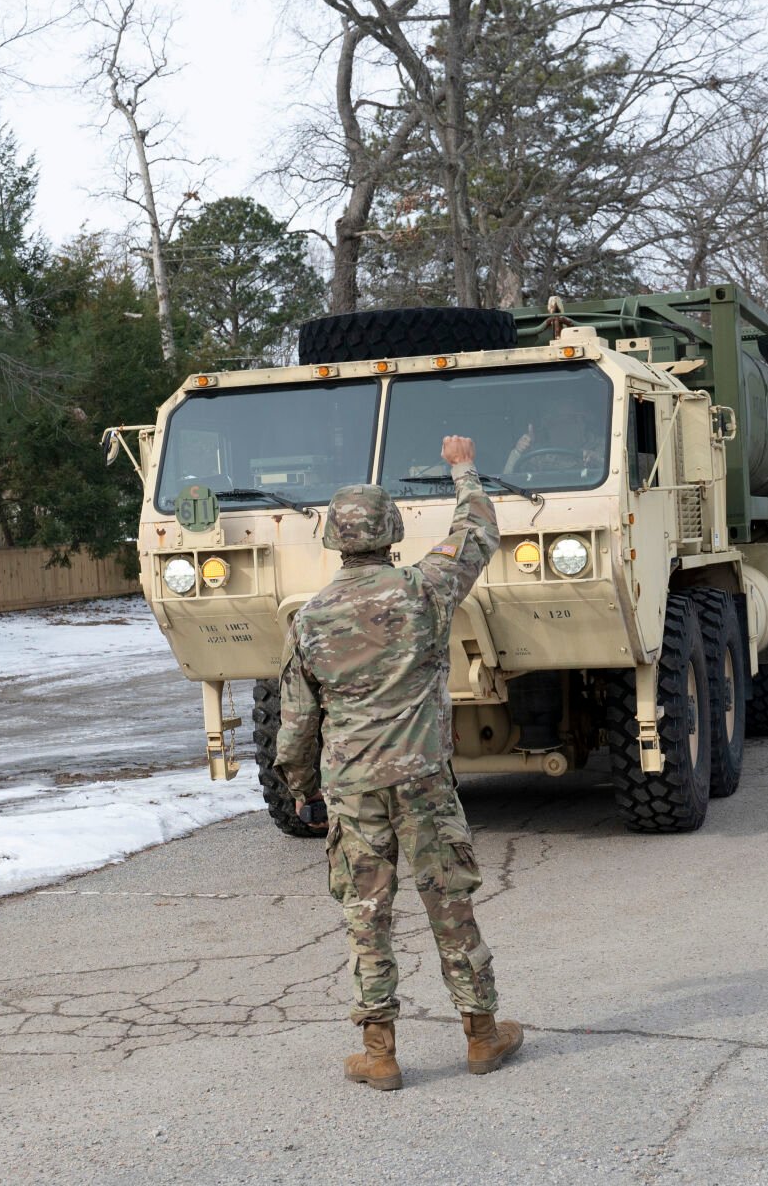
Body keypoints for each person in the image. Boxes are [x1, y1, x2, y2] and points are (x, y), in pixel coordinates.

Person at [274, 435, 524, 1091]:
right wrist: (463, 468)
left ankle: (379, 1052)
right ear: (390, 532)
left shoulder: (311, 618)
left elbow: (298, 719)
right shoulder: (423, 590)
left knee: (366, 915)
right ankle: (480, 1035)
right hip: (421, 780)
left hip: (352, 787)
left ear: (334, 537)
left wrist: (300, 787)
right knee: (451, 906)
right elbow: (477, 531)